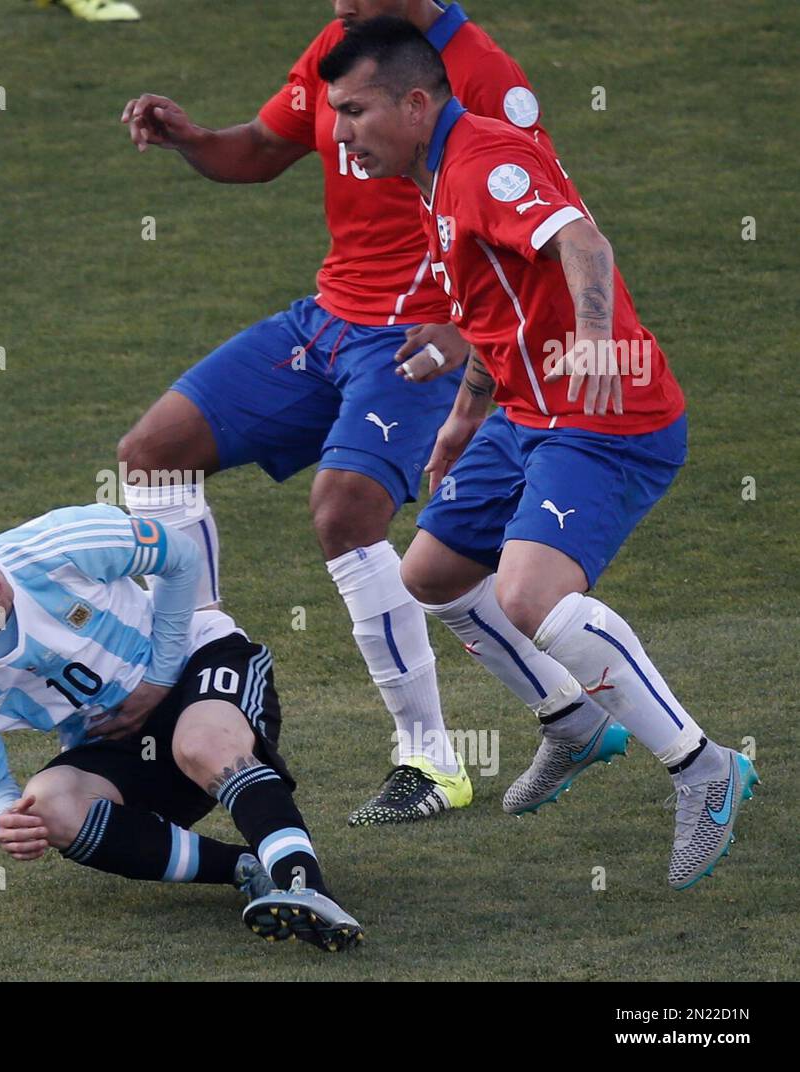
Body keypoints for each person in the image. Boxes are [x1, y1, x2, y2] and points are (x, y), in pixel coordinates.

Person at [118, 1, 613, 826]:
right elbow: (264, 148)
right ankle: (205, 654)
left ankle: (431, 759)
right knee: (152, 451)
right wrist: (192, 138)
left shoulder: (484, 75)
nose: (339, 1)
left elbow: (561, 223)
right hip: (330, 319)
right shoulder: (347, 50)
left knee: (345, 510)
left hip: (416, 336)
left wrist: (466, 328)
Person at [318, 16, 758, 888]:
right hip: (526, 413)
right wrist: (464, 417)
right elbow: (498, 306)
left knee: (531, 598)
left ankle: (704, 767)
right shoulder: (434, 174)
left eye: (355, 112)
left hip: (607, 419)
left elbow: (581, 244)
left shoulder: (483, 162)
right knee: (433, 573)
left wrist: (595, 338)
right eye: (334, 113)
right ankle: (572, 722)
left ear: (415, 103)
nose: (340, 134)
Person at [0, 501, 364, 948]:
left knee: (201, 741)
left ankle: (306, 887)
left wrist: (161, 678)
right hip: (122, 739)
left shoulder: (58, 545)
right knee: (48, 806)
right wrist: (5, 819)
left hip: (198, 661)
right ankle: (247, 870)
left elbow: (179, 557)